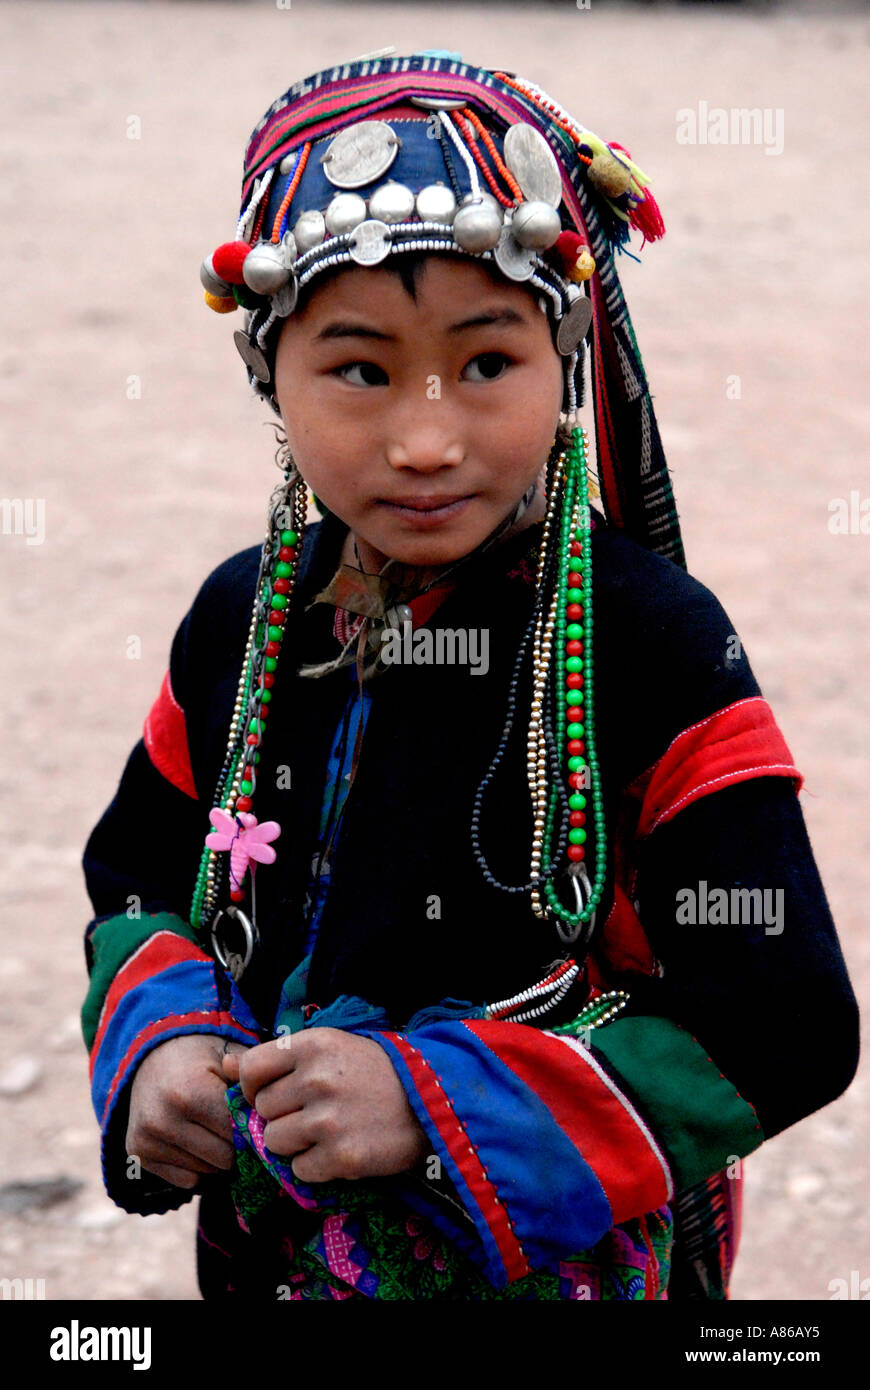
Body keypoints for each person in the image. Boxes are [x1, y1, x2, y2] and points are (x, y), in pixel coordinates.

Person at [81, 49, 859, 1301]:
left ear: (564, 364)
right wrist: (163, 1045)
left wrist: (432, 1106)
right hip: (267, 1256)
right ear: (266, 376)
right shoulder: (240, 620)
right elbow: (136, 873)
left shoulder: (652, 641)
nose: (427, 438)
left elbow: (785, 1023)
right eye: (360, 369)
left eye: (486, 363)